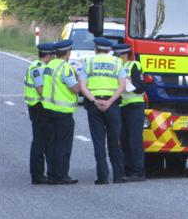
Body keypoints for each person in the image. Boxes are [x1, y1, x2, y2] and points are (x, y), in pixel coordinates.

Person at [79, 37, 127, 184]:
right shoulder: (117, 62)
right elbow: (122, 86)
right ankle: (118, 176)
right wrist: (110, 102)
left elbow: (82, 86)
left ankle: (102, 177)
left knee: (98, 141)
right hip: (112, 105)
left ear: (95, 49)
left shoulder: (89, 62)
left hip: (94, 105)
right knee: (115, 141)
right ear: (109, 50)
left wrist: (94, 101)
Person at [40, 40, 80, 184]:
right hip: (63, 112)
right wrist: (80, 81)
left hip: (48, 109)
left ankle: (51, 174)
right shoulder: (65, 68)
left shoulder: (49, 65)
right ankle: (62, 175)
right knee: (63, 144)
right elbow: (74, 88)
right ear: (68, 53)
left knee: (51, 143)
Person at [113, 42, 146, 182]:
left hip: (134, 106)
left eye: (118, 55)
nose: (116, 57)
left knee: (134, 140)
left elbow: (141, 88)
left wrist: (129, 83)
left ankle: (138, 171)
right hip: (122, 106)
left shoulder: (134, 66)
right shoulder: (116, 68)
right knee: (124, 140)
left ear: (125, 54)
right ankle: (126, 170)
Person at [25, 42, 57, 184]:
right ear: (48, 55)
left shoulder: (35, 65)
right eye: (53, 55)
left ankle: (39, 173)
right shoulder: (39, 69)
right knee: (40, 143)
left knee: (42, 141)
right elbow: (40, 89)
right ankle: (37, 174)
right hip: (39, 108)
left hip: (37, 107)